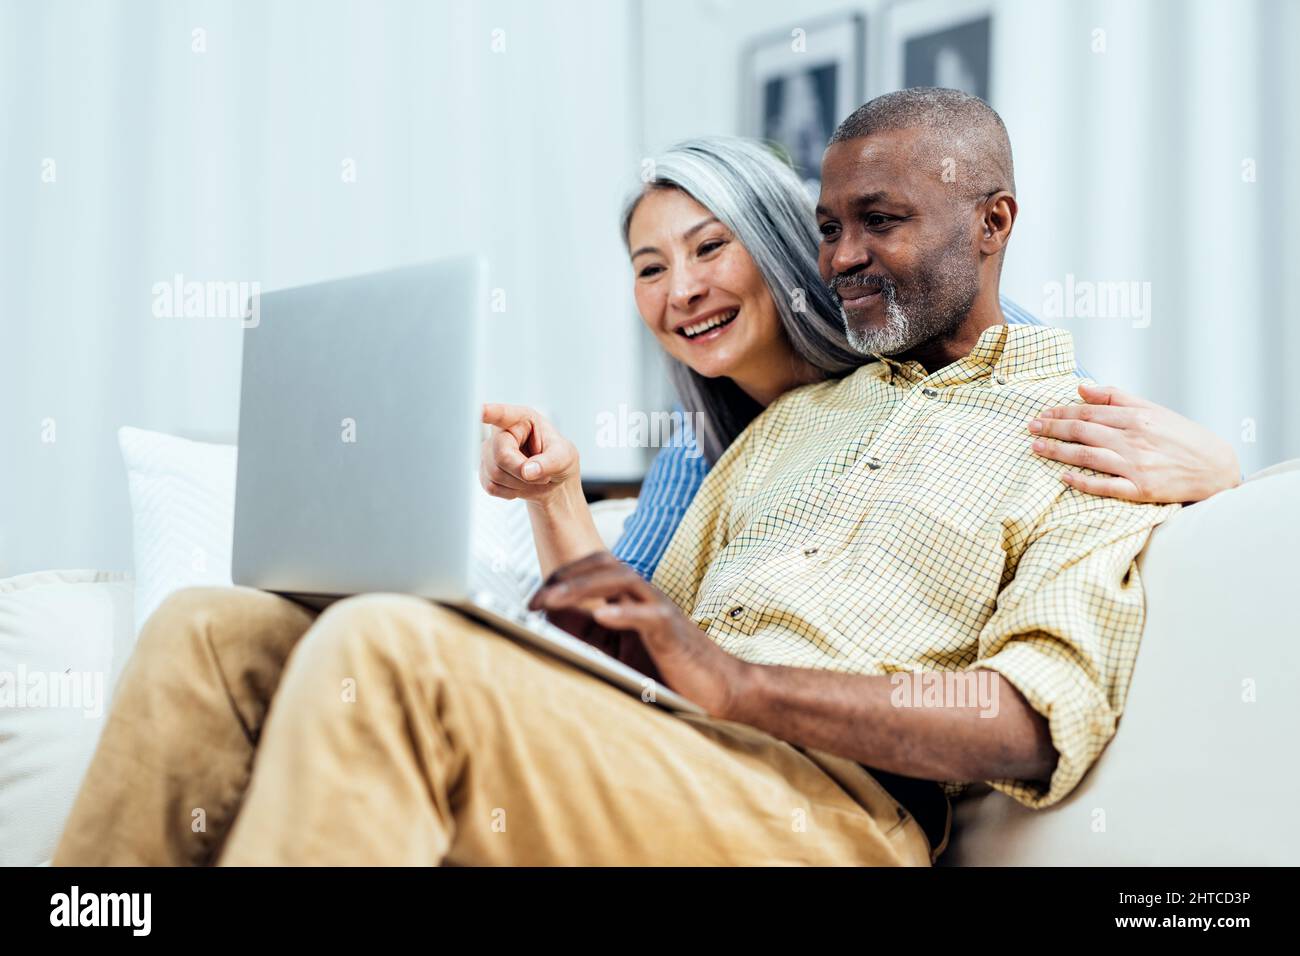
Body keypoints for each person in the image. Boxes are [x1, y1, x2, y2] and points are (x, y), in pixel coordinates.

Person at [53, 90, 1202, 867]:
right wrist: (541, 581)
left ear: (993, 222)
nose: (841, 256)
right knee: (212, 629)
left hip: (818, 811)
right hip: (656, 746)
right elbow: (635, 630)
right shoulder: (790, 423)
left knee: (385, 657)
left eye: (881, 222)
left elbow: (1026, 723)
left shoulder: (1085, 438)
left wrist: (735, 681)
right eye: (828, 227)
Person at [482, 140, 1238, 587]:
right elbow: (612, 619)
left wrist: (1222, 475)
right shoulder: (699, 446)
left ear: (779, 246)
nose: (681, 290)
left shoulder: (943, 346)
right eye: (650, 269)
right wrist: (552, 493)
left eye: (711, 246)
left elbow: (1116, 449)